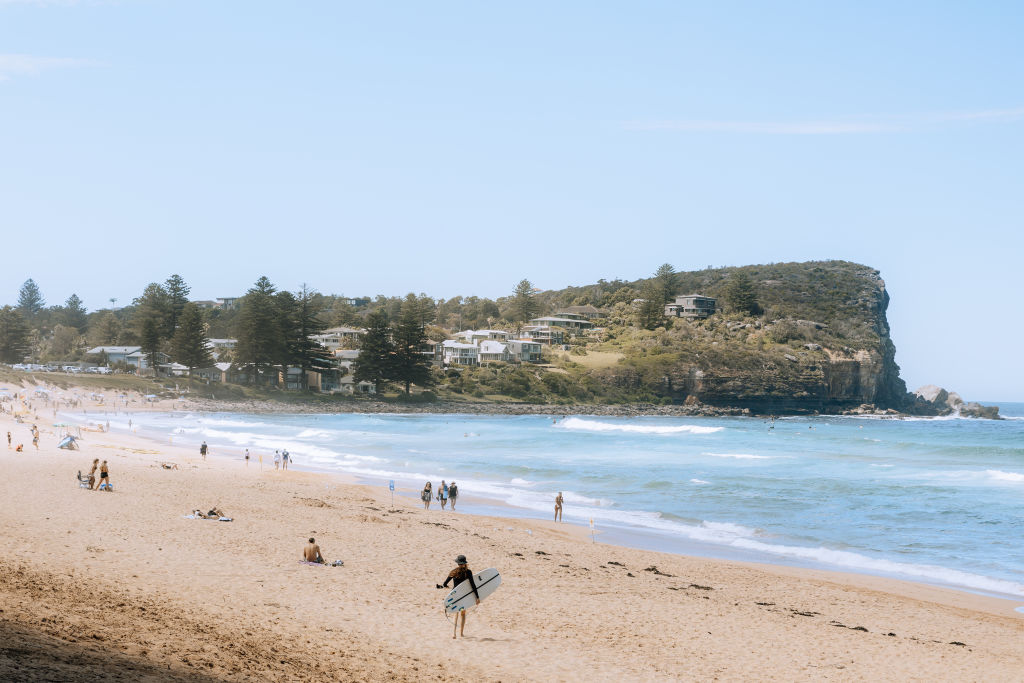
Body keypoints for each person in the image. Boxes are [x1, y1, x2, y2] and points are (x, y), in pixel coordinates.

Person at [437, 554, 480, 639]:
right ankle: (461, 633)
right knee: (463, 613)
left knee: (456, 613)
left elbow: (445, 583)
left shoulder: (454, 571)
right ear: (465, 563)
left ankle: (454, 634)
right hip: (464, 595)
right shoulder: (468, 572)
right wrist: (477, 597)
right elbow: (472, 585)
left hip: (455, 594)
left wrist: (447, 587)